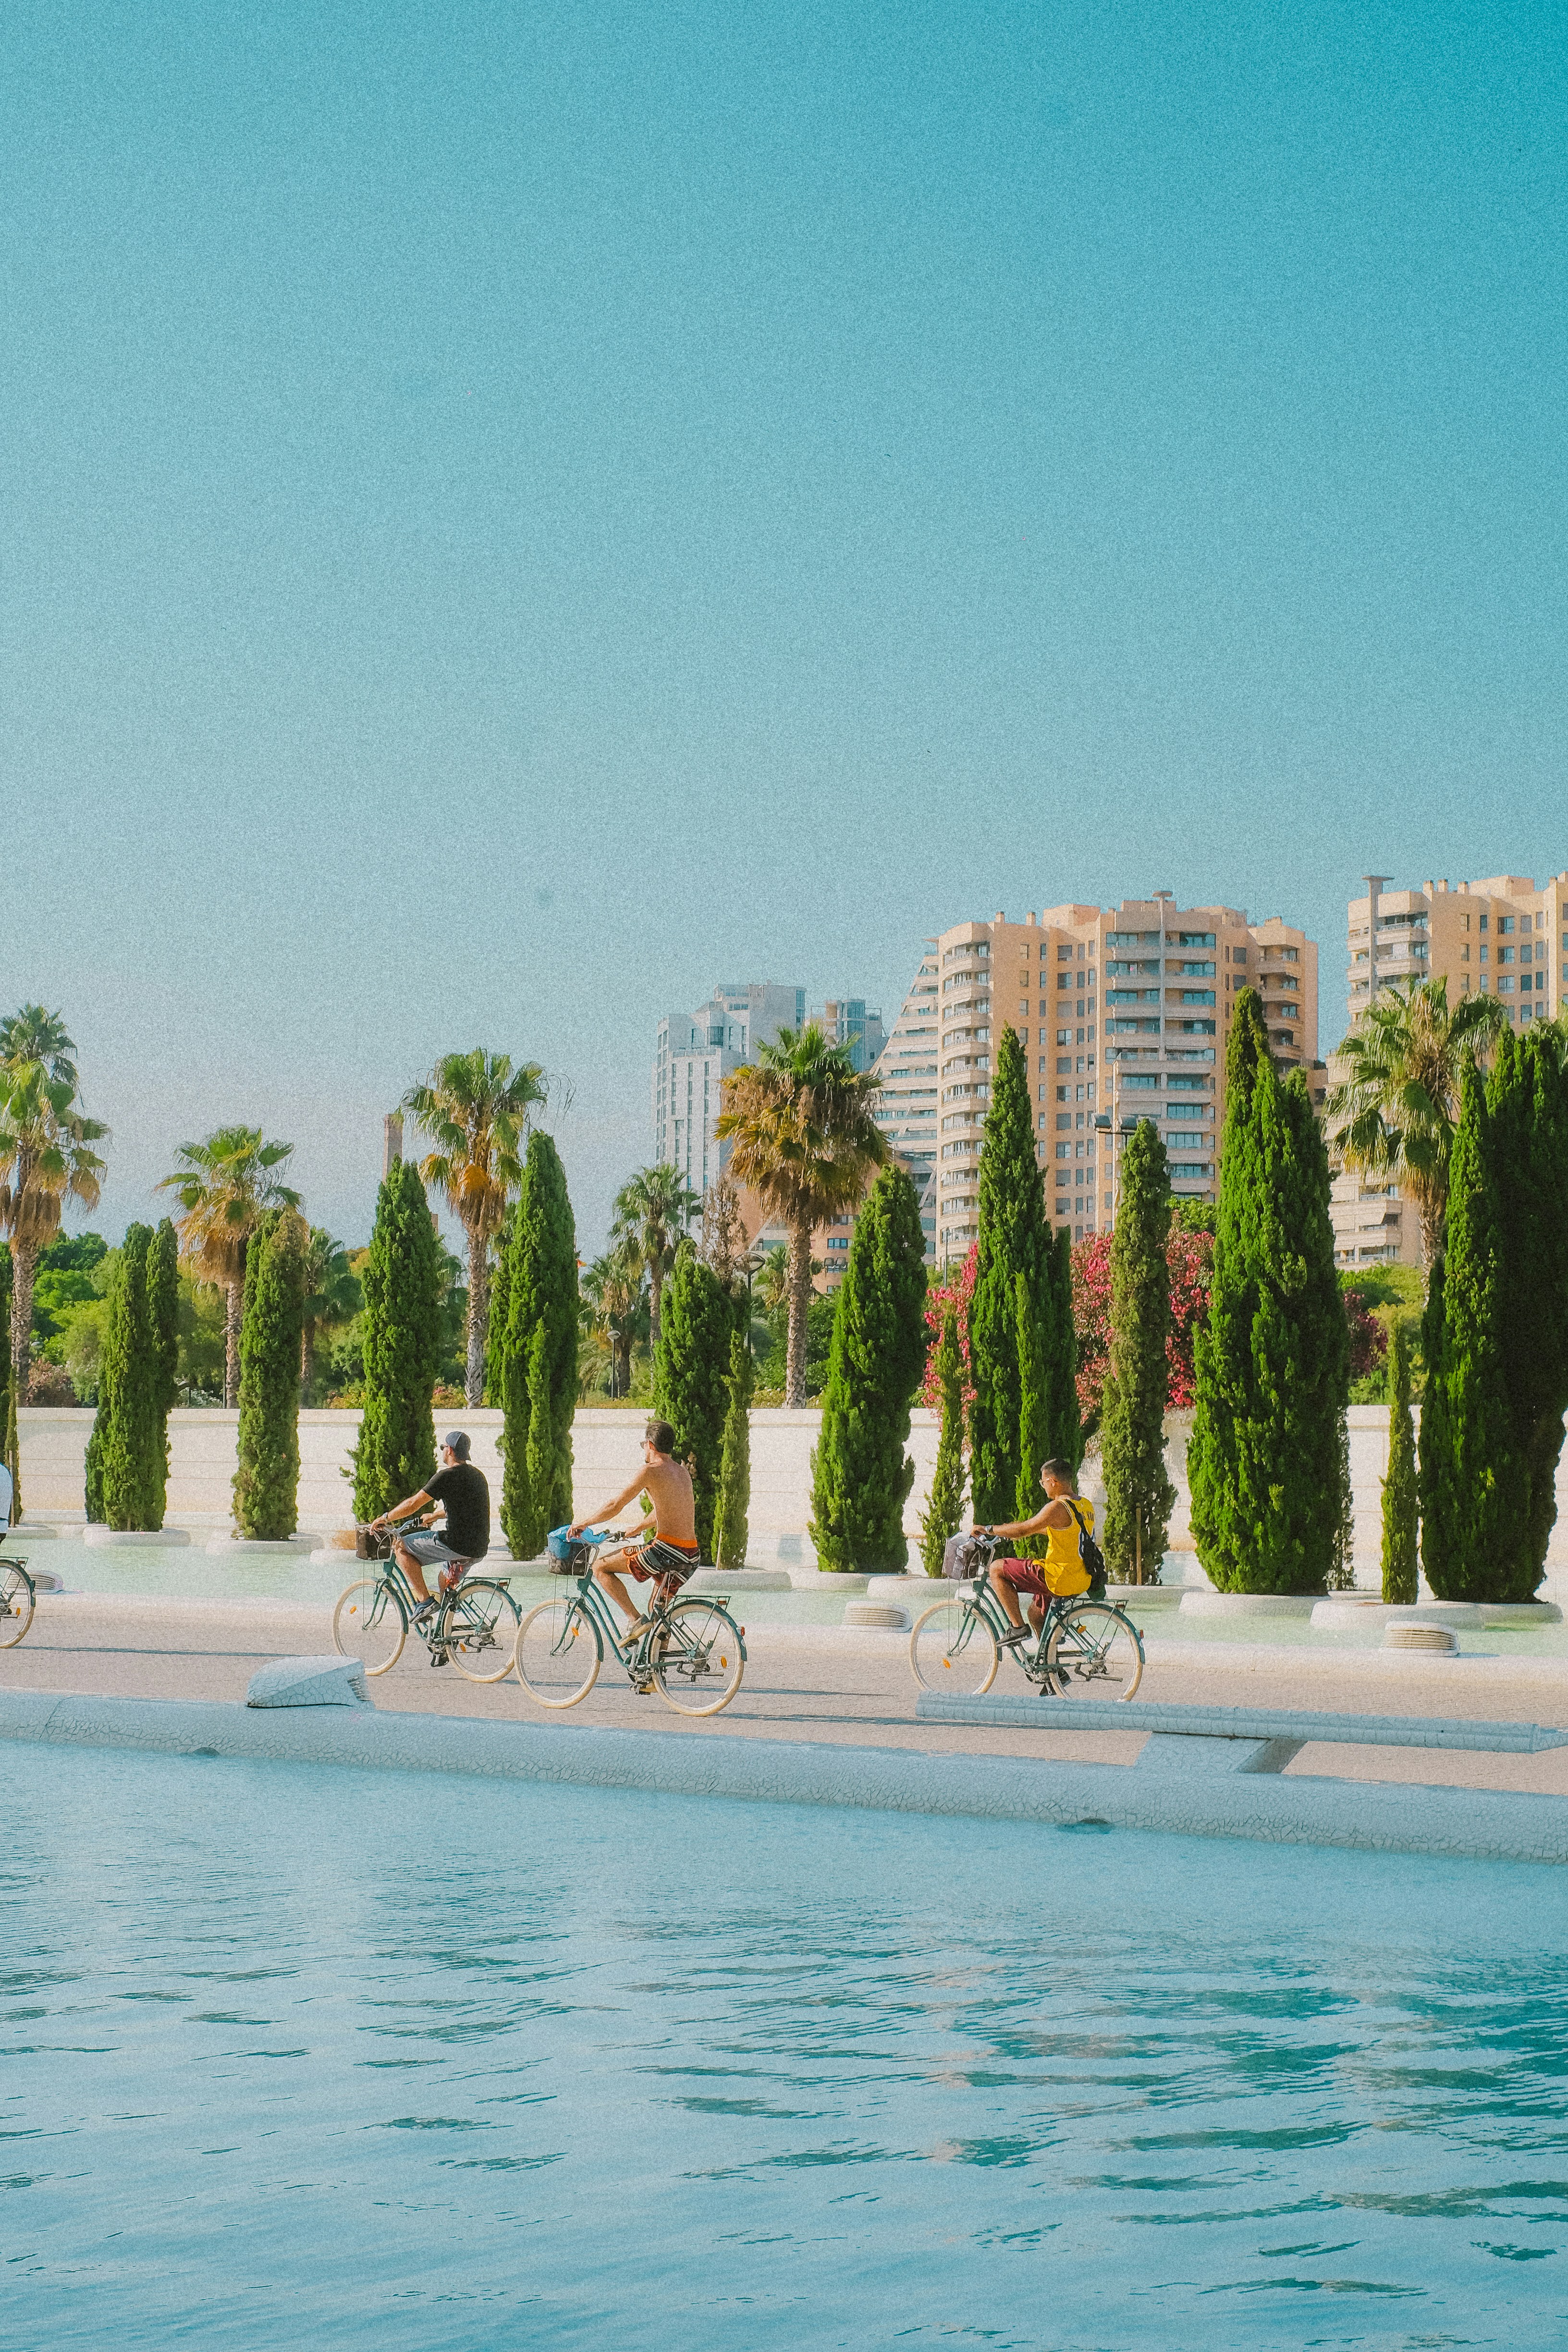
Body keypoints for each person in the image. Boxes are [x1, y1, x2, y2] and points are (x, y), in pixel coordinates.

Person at [568, 1419, 699, 1645]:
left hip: (666, 1551)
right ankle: (654, 1670)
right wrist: (638, 1528)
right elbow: (665, 1512)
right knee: (657, 1610)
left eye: (644, 1446)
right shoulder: (682, 1472)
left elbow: (615, 1505)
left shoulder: (650, 1471)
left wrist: (585, 1523)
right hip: (690, 1555)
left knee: (600, 1566)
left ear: (650, 1445)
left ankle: (634, 1620)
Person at [372, 1431, 491, 1625]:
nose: (443, 1451)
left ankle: (425, 1601)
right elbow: (466, 1508)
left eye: (443, 1448)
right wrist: (435, 1515)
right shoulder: (477, 1476)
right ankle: (445, 1638)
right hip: (478, 1548)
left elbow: (413, 1504)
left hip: (455, 1544)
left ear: (450, 1450)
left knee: (401, 1547)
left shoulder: (445, 1477)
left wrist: (386, 1518)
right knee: (445, 1581)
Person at [976, 1458, 1094, 1650]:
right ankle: (1050, 1668)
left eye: (1043, 1482)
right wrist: (1012, 1531)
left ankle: (1017, 1628)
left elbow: (1024, 1529)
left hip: (1059, 1577)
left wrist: (990, 1529)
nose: (1043, 1487)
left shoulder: (1058, 1507)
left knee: (997, 1568)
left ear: (1053, 1481)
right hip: (1080, 1578)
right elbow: (1060, 1531)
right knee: (1035, 1614)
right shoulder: (1085, 1506)